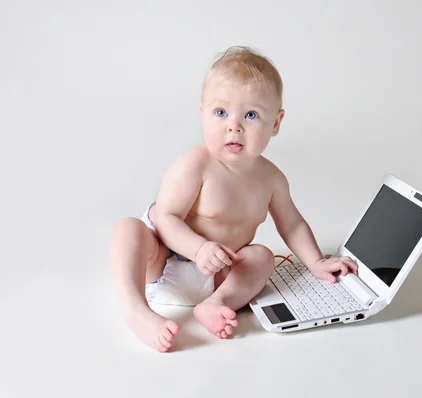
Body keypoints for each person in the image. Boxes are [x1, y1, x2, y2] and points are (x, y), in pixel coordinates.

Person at [109, 46, 358, 352]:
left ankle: (216, 304)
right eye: (221, 112)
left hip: (219, 275)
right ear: (203, 114)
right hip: (164, 262)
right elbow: (166, 216)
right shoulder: (195, 164)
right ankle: (137, 311)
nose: (234, 126)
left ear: (276, 124)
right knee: (128, 229)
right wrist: (198, 248)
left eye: (251, 115)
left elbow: (292, 225)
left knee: (262, 257)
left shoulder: (272, 179)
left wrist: (317, 261)